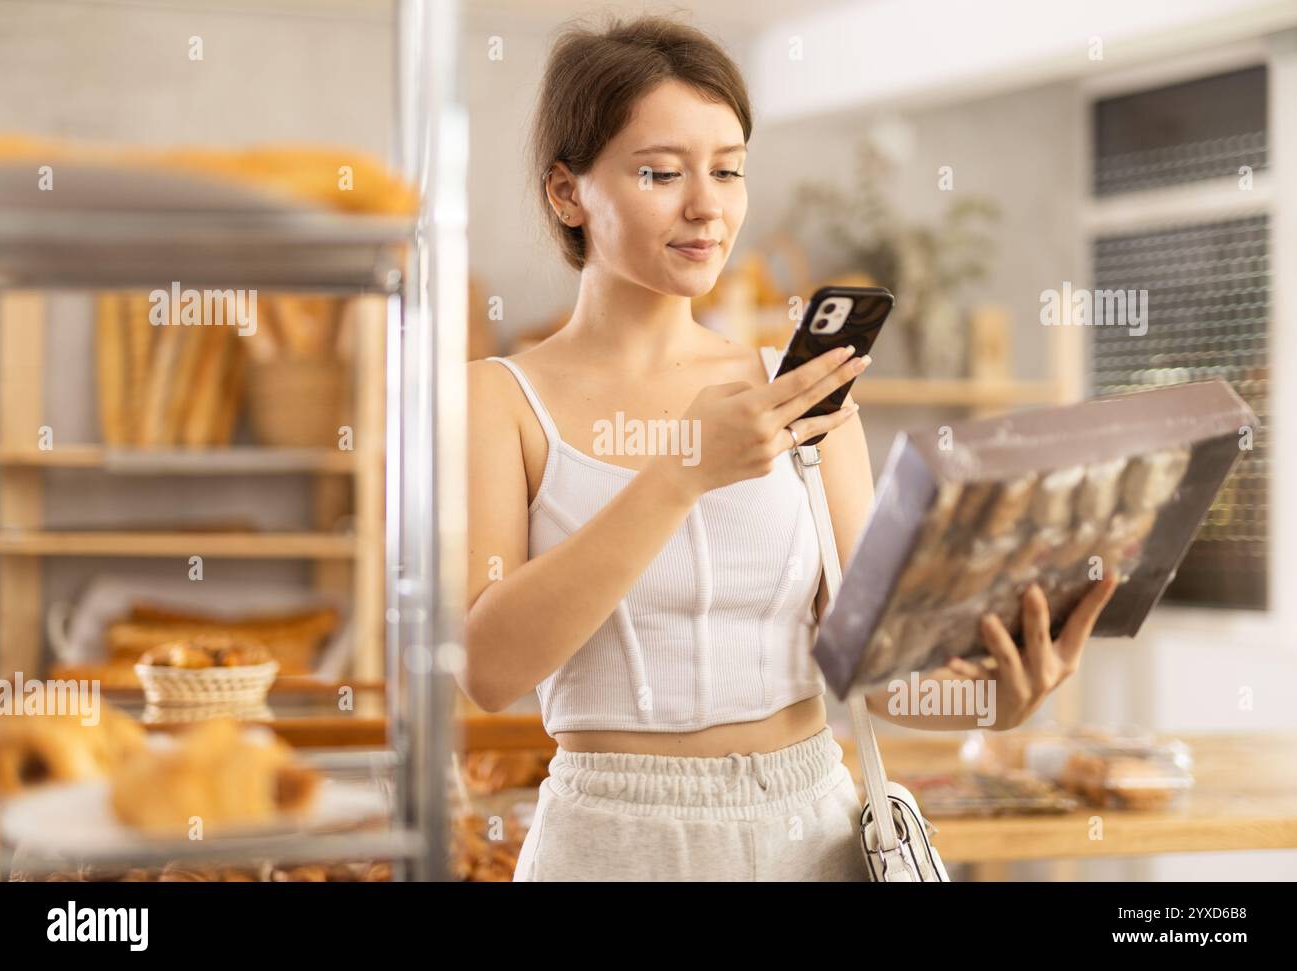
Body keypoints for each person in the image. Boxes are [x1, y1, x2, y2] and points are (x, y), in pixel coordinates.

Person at [464, 14, 1118, 882]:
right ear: (566, 191)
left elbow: (873, 673)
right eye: (660, 172)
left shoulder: (804, 388)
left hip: (807, 830)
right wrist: (682, 472)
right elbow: (488, 666)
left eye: (728, 170)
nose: (707, 205)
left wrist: (993, 698)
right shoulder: (497, 399)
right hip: (609, 841)